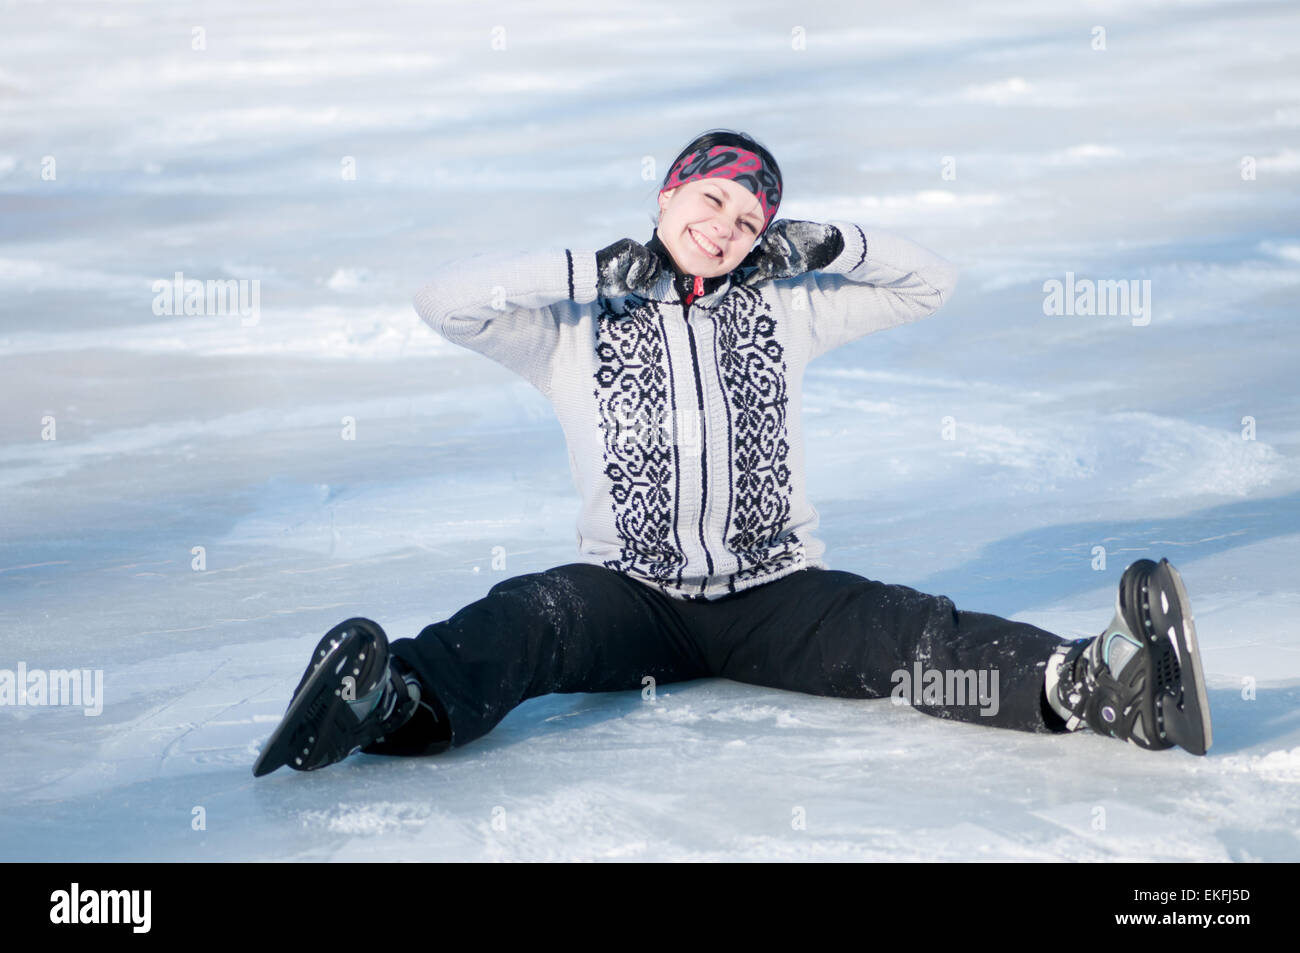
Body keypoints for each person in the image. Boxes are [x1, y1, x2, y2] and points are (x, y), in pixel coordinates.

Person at [252, 129, 1212, 778]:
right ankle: (391, 702)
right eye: (710, 199)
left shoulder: (784, 308)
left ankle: (1091, 683)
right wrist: (585, 270)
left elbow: (932, 284)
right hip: (630, 594)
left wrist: (833, 244)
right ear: (670, 196)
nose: (723, 227)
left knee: (909, 636)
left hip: (777, 596)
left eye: (748, 220)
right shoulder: (572, 327)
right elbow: (442, 300)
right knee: (528, 619)